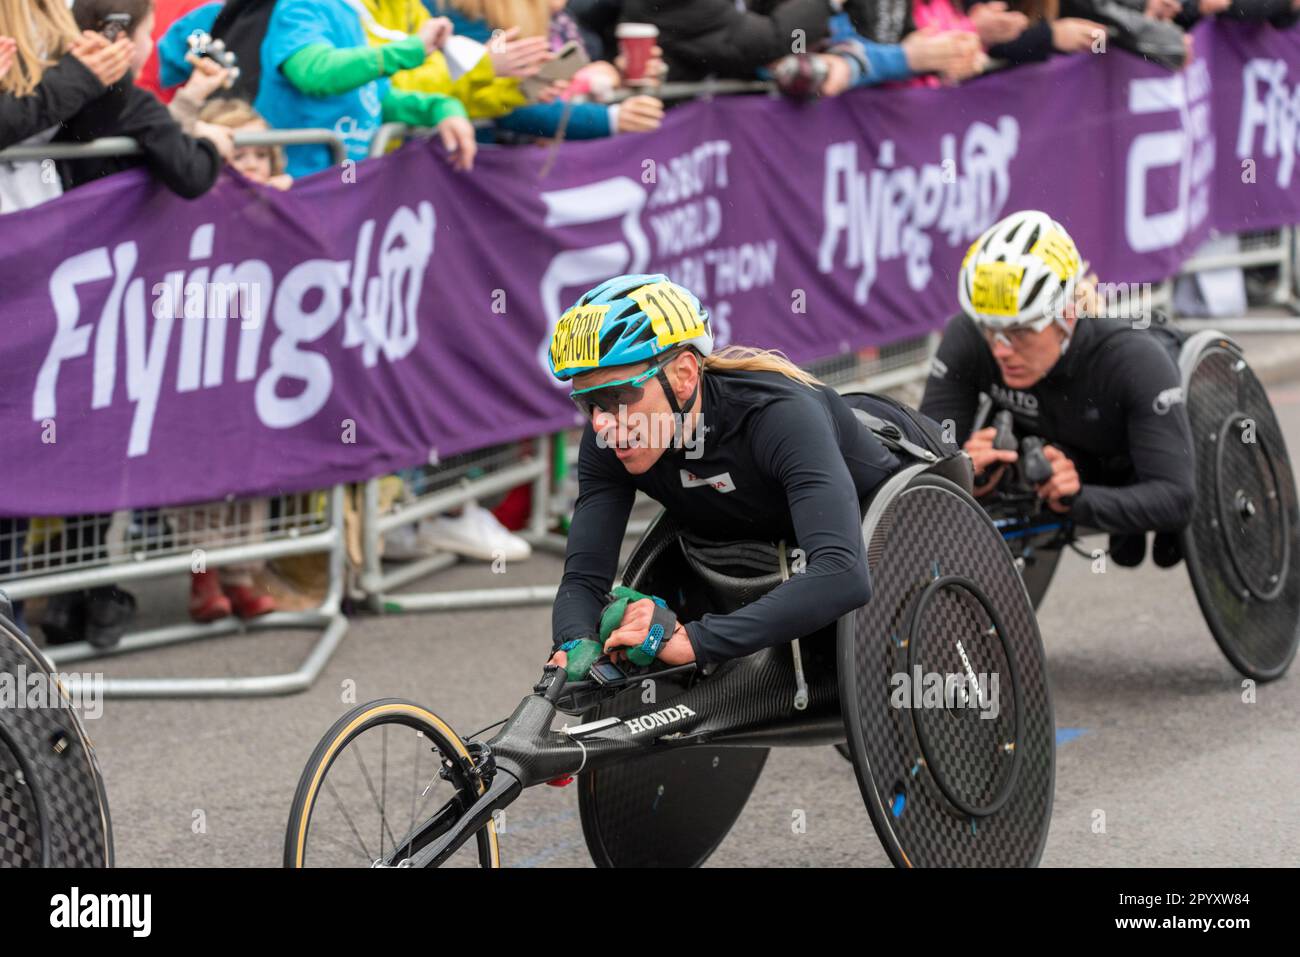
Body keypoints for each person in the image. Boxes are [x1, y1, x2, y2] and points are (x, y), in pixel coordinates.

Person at [545, 274, 952, 671]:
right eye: (590, 402)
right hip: (764, 552)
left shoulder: (777, 416)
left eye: (618, 396)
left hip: (897, 529)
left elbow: (843, 574)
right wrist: (576, 644)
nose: (601, 422)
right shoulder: (612, 435)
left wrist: (696, 641)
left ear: (684, 375)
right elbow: (583, 579)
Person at [919, 210, 1196, 569]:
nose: (1001, 348)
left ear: (1066, 315)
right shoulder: (969, 338)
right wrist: (966, 470)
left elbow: (1177, 498)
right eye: (990, 329)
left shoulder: (1133, 359)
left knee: (1162, 543)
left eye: (1019, 332)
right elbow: (927, 456)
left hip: (1132, 459)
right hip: (1057, 448)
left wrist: (1079, 500)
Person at [254, 0, 475, 177]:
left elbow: (372, 99)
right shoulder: (300, 6)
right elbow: (315, 73)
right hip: (295, 190)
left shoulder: (353, 14)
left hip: (348, 190)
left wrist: (441, 108)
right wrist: (411, 49)